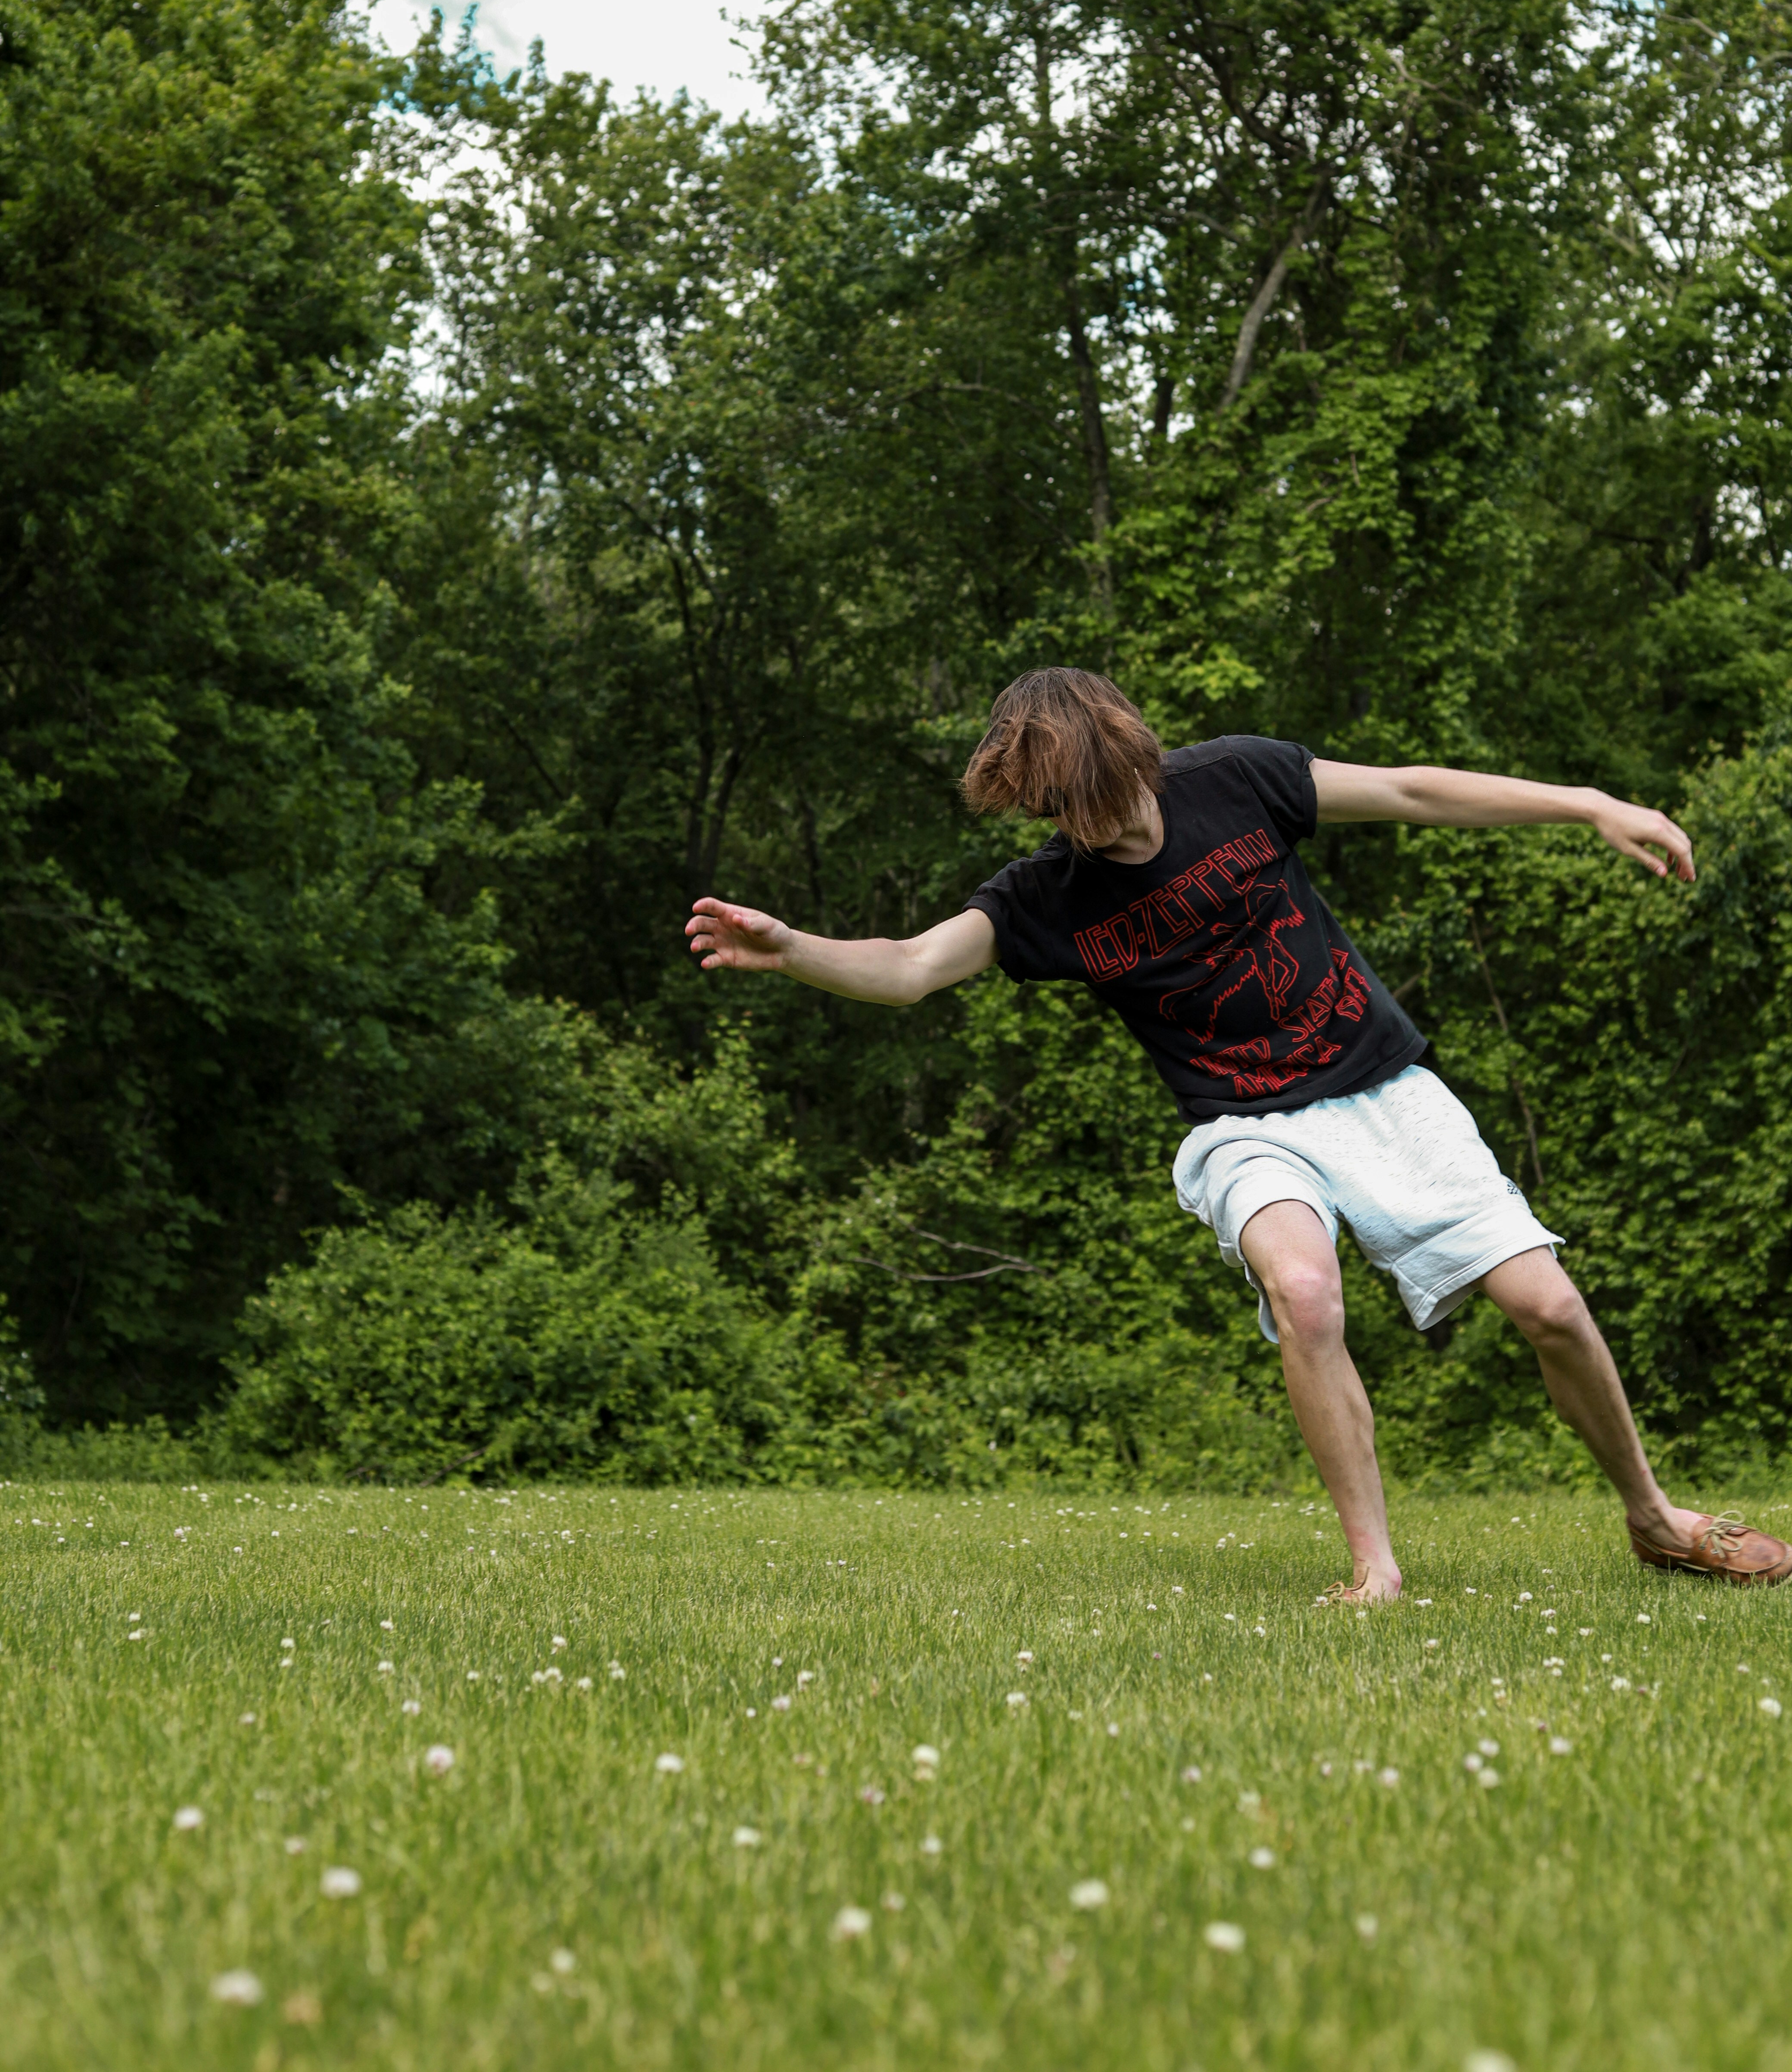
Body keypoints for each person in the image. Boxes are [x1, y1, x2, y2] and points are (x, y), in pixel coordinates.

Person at [687, 667, 1790, 1599]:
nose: (1094, 826)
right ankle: (1376, 1571)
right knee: (1305, 1293)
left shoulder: (1239, 778)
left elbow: (1412, 790)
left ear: (1131, 754)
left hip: (1379, 1086)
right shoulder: (1044, 897)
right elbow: (915, 966)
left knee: (1546, 1304)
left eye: (1101, 797)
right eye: (1062, 813)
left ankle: (1651, 1516)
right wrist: (797, 948)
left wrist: (1589, 802)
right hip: (1241, 1128)